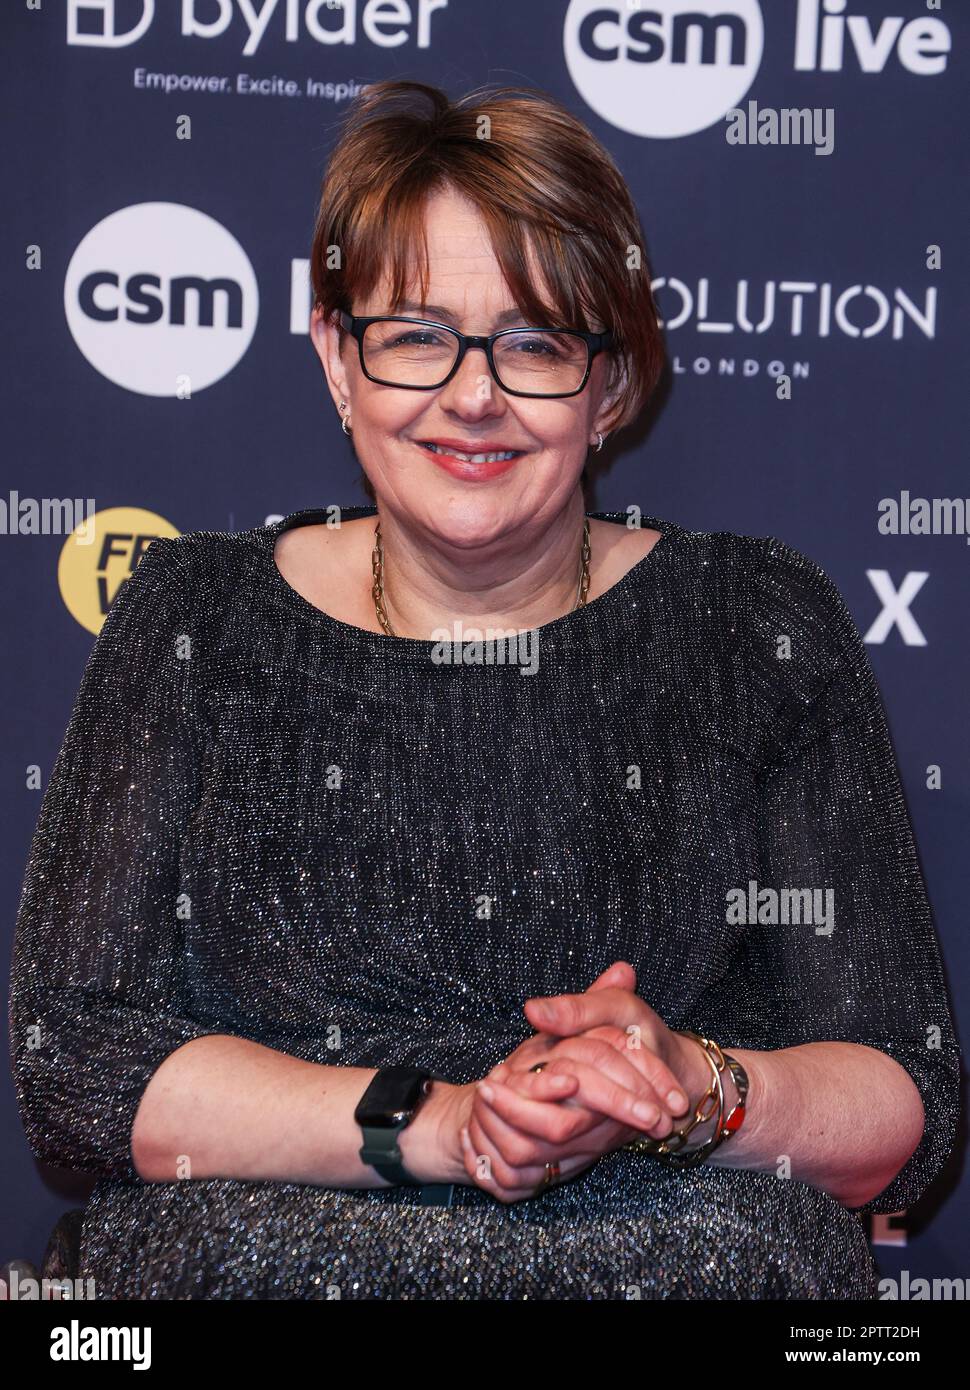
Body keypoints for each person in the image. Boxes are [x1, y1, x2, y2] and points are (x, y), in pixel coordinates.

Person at [9, 80, 960, 1300]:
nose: (472, 393)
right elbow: (79, 1070)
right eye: (415, 334)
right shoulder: (191, 620)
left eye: (535, 342)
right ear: (334, 355)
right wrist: (441, 1124)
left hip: (678, 1270)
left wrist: (692, 1087)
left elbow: (902, 1105)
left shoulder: (757, 624)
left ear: (610, 385)